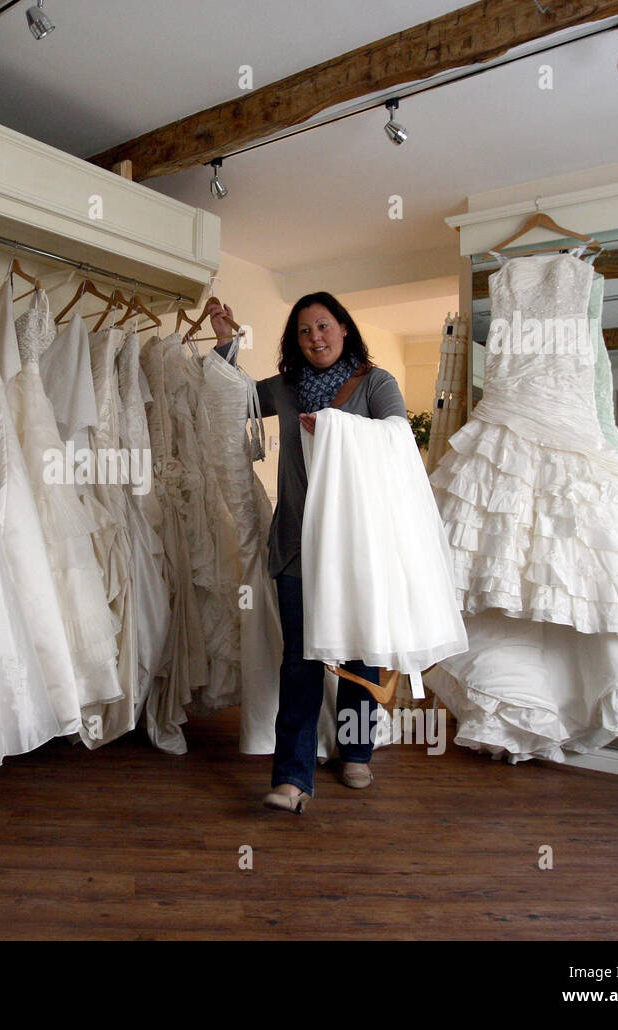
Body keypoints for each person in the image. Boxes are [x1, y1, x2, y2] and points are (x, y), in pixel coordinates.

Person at [206, 294, 406, 814]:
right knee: (299, 659)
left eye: (323, 325)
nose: (315, 337)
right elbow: (241, 397)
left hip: (356, 541)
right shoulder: (289, 390)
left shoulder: (375, 384)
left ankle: (356, 750)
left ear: (343, 327)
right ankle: (293, 776)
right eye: (303, 331)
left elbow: (396, 439)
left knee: (361, 651)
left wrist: (339, 427)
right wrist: (228, 339)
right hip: (296, 540)